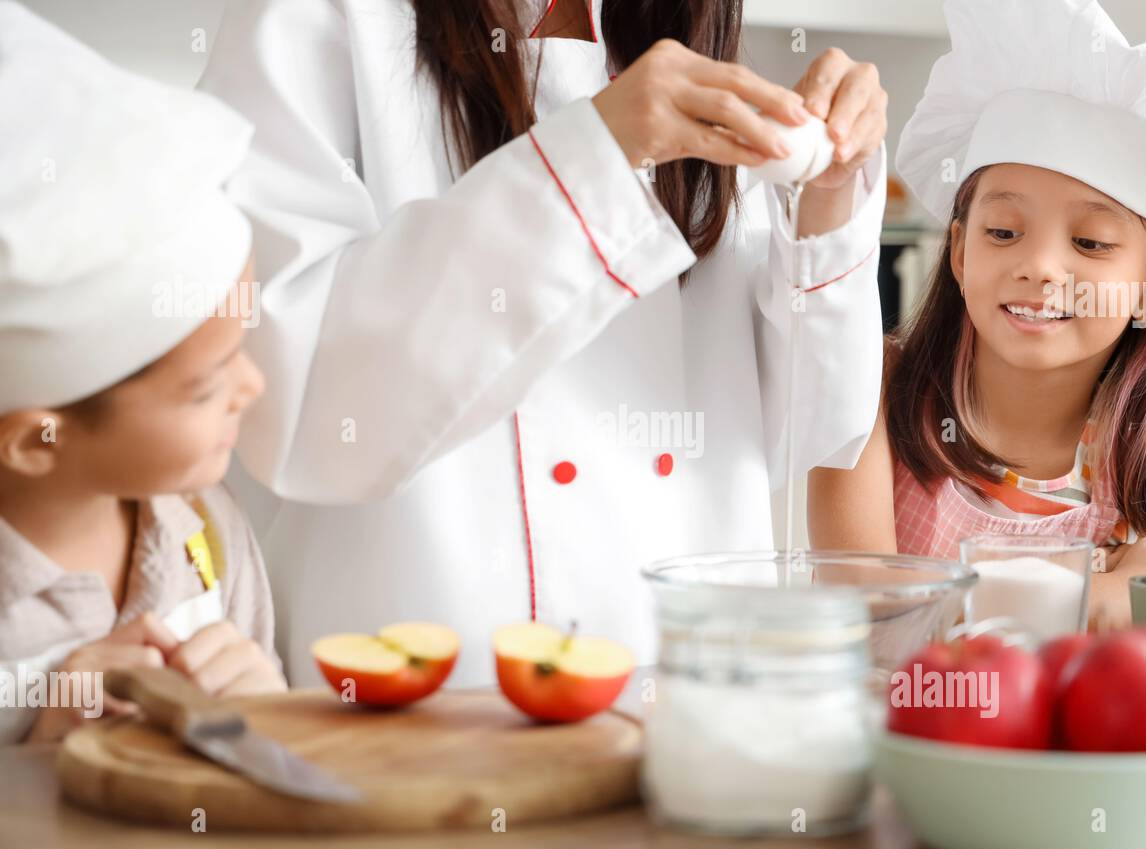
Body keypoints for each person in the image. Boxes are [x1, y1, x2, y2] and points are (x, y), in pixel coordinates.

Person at [199, 0, 891, 685]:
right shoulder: (315, 20)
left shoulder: (678, 32)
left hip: (686, 707)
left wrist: (824, 202)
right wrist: (594, 158)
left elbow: (803, 431)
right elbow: (294, 411)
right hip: (415, 709)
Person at [808, 0, 1146, 631]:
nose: (1039, 266)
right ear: (959, 252)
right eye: (1004, 231)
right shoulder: (875, 387)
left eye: (1090, 244)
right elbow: (862, 598)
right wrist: (1098, 588)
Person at [0, 4, 285, 743]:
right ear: (36, 441)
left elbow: (266, 752)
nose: (250, 389)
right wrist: (38, 765)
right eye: (206, 384)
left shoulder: (205, 527)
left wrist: (269, 711)